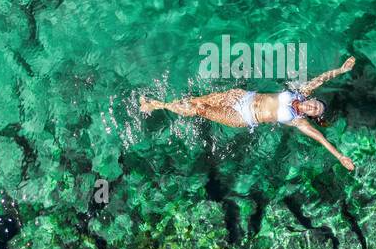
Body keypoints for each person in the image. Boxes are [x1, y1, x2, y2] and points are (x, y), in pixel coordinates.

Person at [140, 57, 357, 171]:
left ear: (311, 116)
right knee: (200, 100)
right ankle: (158, 105)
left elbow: (321, 139)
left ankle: (156, 105)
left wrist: (340, 157)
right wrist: (341, 70)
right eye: (314, 104)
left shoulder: (298, 121)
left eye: (315, 111)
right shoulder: (299, 93)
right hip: (243, 97)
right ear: (312, 99)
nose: (312, 108)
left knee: (200, 110)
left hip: (243, 119)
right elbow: (321, 79)